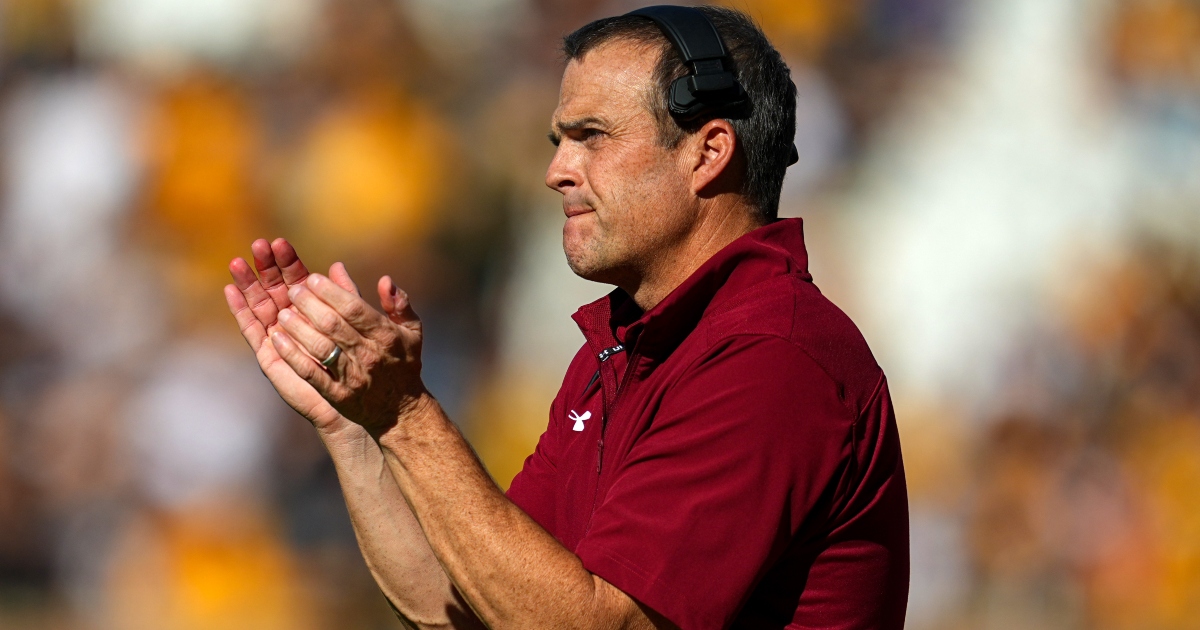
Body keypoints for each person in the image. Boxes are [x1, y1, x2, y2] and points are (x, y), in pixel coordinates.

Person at [224, 5, 908, 629]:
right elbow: (461, 604)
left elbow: (591, 626)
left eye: (591, 136)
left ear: (708, 151)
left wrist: (407, 418)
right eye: (559, 138)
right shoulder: (624, 346)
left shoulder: (770, 355)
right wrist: (359, 425)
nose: (556, 169)